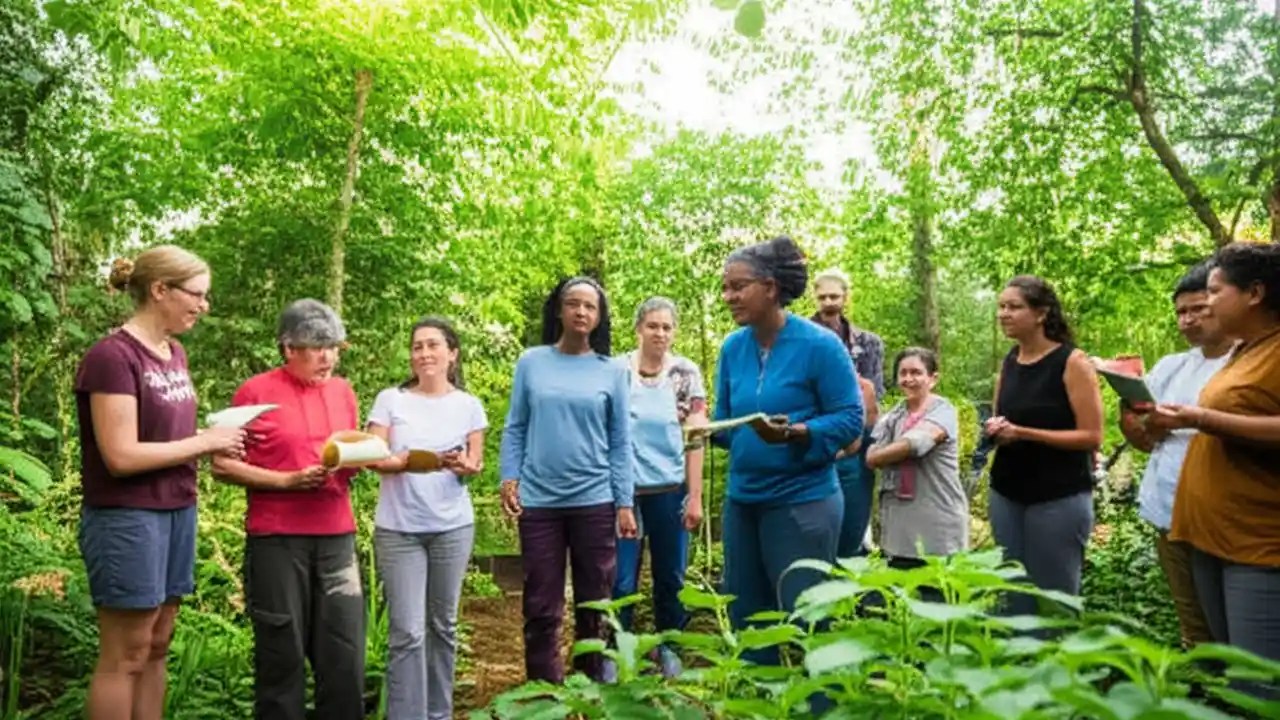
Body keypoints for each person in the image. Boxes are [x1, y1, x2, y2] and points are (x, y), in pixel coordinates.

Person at [76, 246, 245, 720]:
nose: (203, 306)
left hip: (176, 509)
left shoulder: (175, 353)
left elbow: (172, 437)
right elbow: (121, 455)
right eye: (197, 295)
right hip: (126, 516)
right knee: (125, 652)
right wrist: (204, 442)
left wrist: (213, 441)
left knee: (157, 644)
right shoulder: (112, 357)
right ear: (159, 290)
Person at [709, 237, 863, 664]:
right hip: (743, 502)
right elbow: (727, 422)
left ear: (771, 287)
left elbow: (850, 419)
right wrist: (702, 429)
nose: (728, 297)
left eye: (738, 287)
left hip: (803, 501)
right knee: (747, 622)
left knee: (807, 620)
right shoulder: (732, 348)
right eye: (725, 287)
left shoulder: (820, 345)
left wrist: (797, 433)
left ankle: (817, 707)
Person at [211, 299, 365, 720]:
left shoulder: (343, 391)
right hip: (277, 539)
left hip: (337, 535)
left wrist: (356, 459)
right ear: (287, 348)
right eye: (315, 348)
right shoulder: (254, 392)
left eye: (333, 347)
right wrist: (285, 481)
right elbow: (221, 464)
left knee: (344, 654)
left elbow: (348, 450)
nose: (327, 357)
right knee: (282, 654)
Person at [498, 276, 637, 684]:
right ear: (558, 310)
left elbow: (619, 440)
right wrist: (510, 476)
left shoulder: (612, 370)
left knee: (596, 605)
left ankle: (591, 691)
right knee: (541, 606)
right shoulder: (531, 362)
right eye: (572, 304)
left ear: (599, 317)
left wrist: (624, 501)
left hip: (594, 500)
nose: (580, 312)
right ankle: (547, 695)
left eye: (589, 307)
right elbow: (516, 426)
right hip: (540, 502)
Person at [1156, 242, 1280, 696]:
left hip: (1257, 546)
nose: (1206, 303)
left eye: (1214, 290)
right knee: (1228, 672)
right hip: (1210, 537)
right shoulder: (1248, 349)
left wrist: (1199, 419)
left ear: (1255, 293)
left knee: (1259, 686)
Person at [365, 317, 487, 720]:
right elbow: (372, 457)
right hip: (399, 530)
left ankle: (439, 713)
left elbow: (475, 460)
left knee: (442, 627)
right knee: (407, 632)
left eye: (433, 345)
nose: (424, 353)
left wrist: (463, 466)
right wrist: (404, 461)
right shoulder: (390, 400)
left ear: (452, 353)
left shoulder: (468, 405)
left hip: (452, 527)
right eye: (418, 346)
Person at [1116, 262, 1229, 649]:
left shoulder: (1249, 363)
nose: (1188, 320)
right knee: (1192, 618)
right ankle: (1202, 693)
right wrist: (1130, 412)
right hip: (1168, 507)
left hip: (1228, 511)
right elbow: (1143, 441)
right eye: (1181, 312)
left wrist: (1188, 419)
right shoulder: (1172, 366)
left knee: (1237, 621)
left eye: (1199, 308)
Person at [984, 275, 1103, 615]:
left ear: (1041, 314)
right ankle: (1018, 663)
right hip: (1007, 492)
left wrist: (1024, 433)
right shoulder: (1010, 361)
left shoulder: (1072, 362)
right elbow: (1000, 416)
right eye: (1001, 307)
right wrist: (996, 428)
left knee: (1056, 599)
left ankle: (1059, 664)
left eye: (1013, 307)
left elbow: (1092, 436)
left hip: (1058, 497)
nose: (1003, 314)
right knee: (1012, 593)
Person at [606, 297, 707, 681]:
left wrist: (694, 496)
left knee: (671, 575)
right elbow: (605, 434)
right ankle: (617, 651)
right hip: (625, 493)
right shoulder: (617, 371)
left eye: (667, 327)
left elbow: (696, 435)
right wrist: (615, 496)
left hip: (670, 488)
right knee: (621, 578)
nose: (660, 334)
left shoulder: (685, 372)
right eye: (653, 326)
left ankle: (670, 646)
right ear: (638, 329)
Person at [866, 348, 967, 571]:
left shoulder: (943, 411)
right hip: (898, 529)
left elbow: (916, 444)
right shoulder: (894, 415)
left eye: (916, 373)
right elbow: (872, 453)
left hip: (938, 526)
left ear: (933, 378)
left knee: (937, 599)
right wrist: (878, 455)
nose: (908, 379)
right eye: (903, 373)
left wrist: (881, 455)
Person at [811, 269, 882, 558]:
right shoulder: (801, 338)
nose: (828, 302)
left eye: (834, 296)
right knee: (813, 528)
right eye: (823, 296)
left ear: (846, 297)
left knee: (852, 527)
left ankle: (851, 596)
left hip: (856, 441)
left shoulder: (868, 343)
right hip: (813, 438)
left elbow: (872, 395)